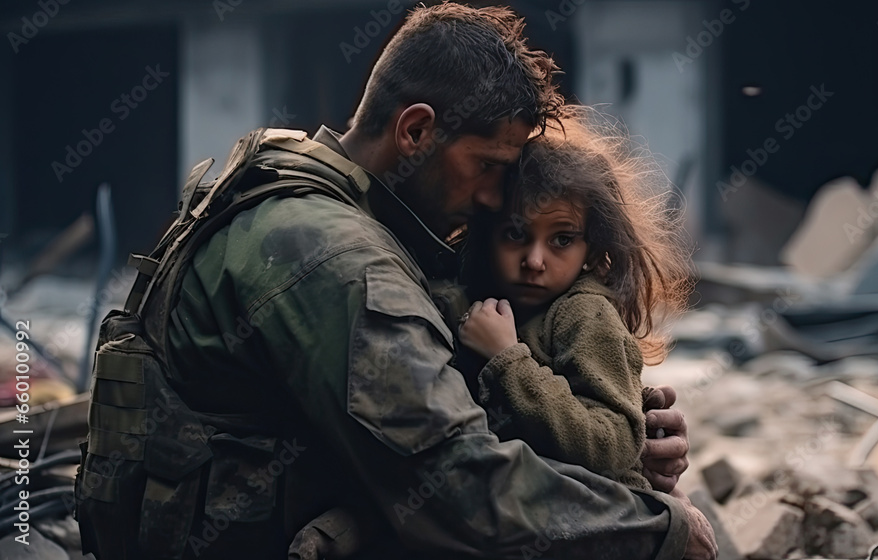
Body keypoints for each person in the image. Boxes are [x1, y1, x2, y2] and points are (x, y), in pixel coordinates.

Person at [76, 3, 716, 559]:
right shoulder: (332, 255)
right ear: (414, 130)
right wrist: (652, 529)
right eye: (489, 167)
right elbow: (459, 490)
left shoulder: (311, 186)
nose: (495, 199)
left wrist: (616, 435)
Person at [456, 107, 692, 493]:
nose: (534, 261)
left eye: (562, 240)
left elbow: (612, 445)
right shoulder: (504, 303)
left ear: (593, 249)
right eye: (515, 235)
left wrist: (507, 359)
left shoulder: (584, 312)